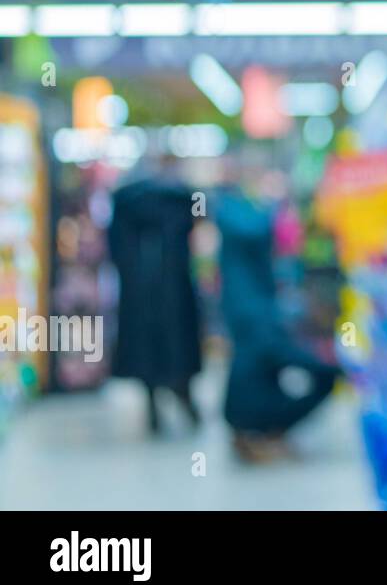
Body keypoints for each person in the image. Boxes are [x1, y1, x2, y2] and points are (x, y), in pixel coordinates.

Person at [215, 185, 339, 462]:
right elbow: (277, 348)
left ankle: (260, 432)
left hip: (245, 399)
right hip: (250, 406)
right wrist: (333, 365)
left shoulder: (241, 286)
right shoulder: (253, 299)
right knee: (324, 377)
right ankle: (263, 431)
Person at [107, 168, 202, 433]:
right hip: (173, 297)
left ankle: (155, 406)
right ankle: (182, 399)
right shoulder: (180, 203)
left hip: (141, 298)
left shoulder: (125, 206)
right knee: (178, 352)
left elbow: (114, 252)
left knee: (147, 354)